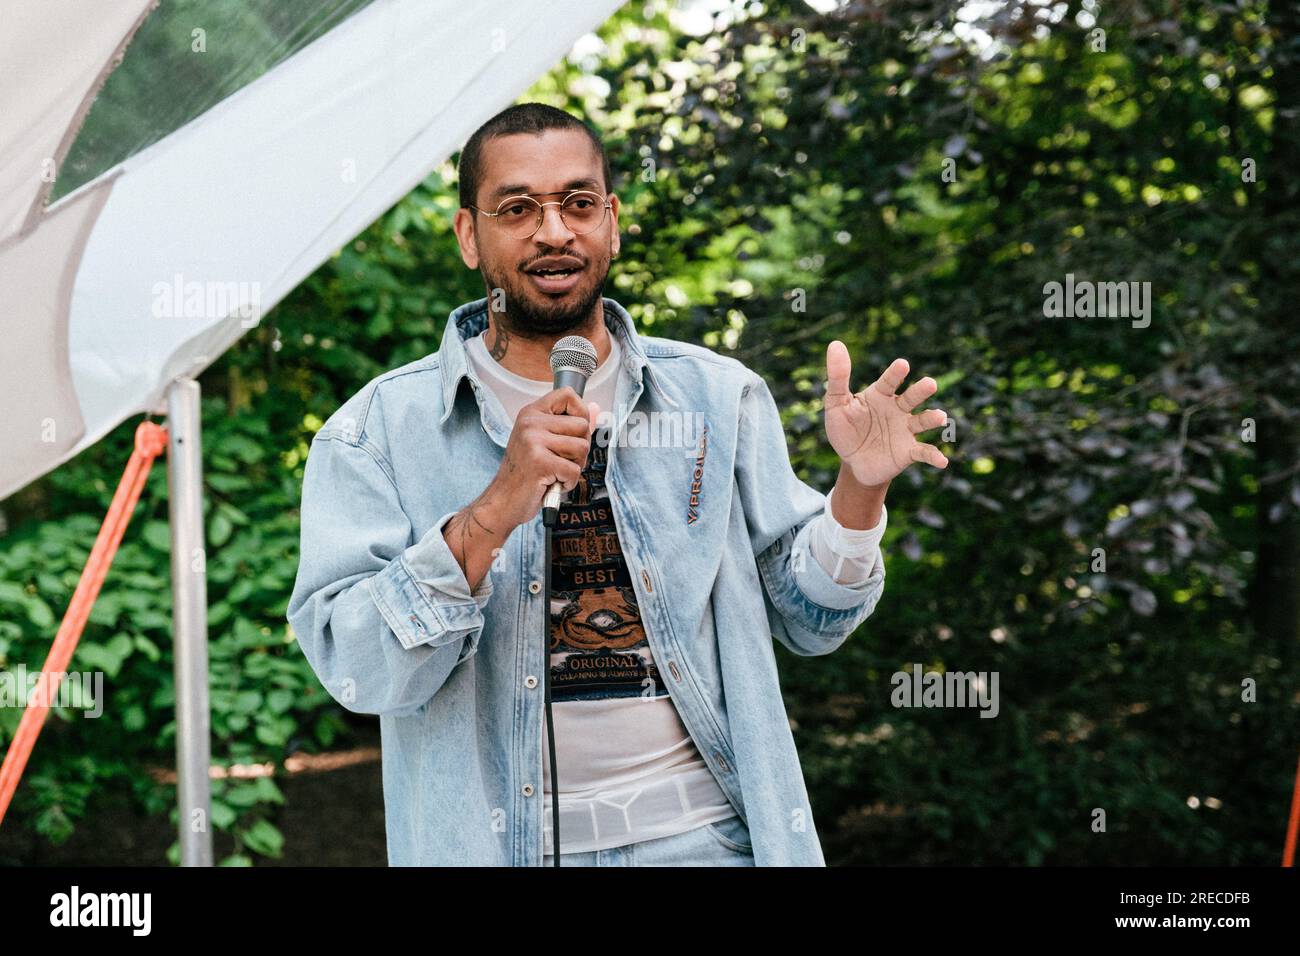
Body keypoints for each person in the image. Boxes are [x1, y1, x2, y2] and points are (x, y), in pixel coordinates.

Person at [286, 102, 949, 867]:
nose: (554, 231)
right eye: (517, 209)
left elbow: (811, 619)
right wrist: (491, 513)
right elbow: (359, 668)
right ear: (470, 235)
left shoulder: (714, 397)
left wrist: (859, 494)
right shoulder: (375, 433)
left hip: (707, 844)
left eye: (578, 203)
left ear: (612, 221)